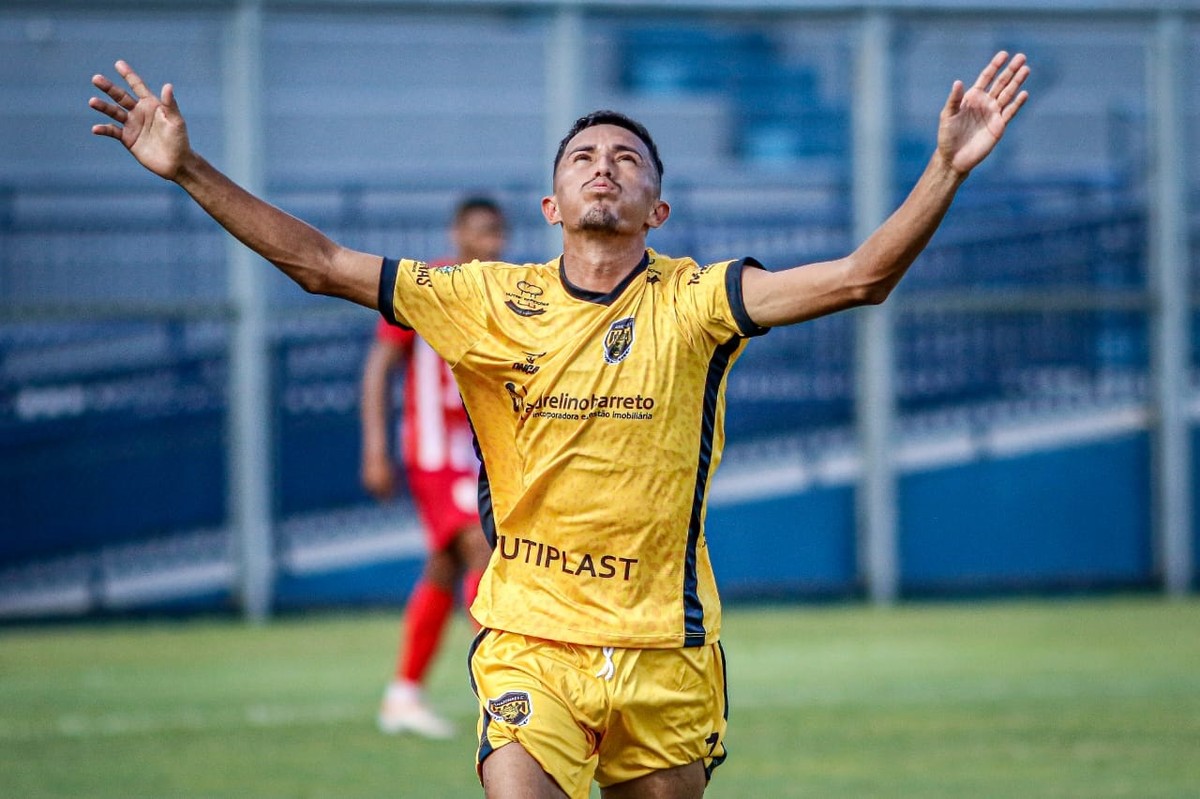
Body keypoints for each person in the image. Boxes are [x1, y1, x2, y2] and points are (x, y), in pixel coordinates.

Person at [89, 50, 1029, 799]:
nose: (603, 167)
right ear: (552, 206)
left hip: (669, 647)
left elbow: (862, 276)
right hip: (530, 639)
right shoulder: (485, 298)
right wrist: (190, 171)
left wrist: (945, 167)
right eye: (583, 158)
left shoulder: (700, 299)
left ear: (656, 207)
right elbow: (324, 262)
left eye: (626, 158)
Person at [360, 196, 506, 738]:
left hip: (479, 454)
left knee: (444, 567)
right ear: (457, 235)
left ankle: (402, 694)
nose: (490, 242)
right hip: (434, 455)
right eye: (480, 231)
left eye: (497, 232)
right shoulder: (428, 288)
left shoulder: (506, 292)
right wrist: (375, 448)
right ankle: (508, 689)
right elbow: (379, 367)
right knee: (482, 550)